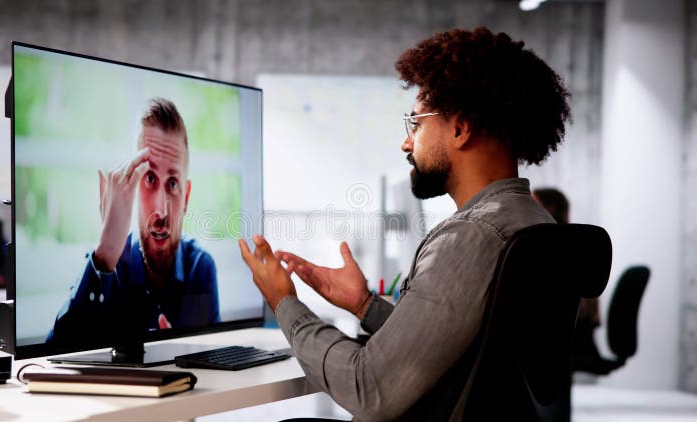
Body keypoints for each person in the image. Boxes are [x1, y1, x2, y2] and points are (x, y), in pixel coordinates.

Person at [238, 27, 571, 420]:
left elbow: (368, 389)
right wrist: (364, 305)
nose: (406, 142)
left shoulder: (470, 237)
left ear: (460, 129)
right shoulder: (534, 222)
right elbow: (466, 347)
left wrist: (284, 303)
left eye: (416, 124)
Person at [47, 98, 219, 347]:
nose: (161, 210)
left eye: (173, 184)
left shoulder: (201, 269)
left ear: (187, 196)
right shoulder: (107, 263)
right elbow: (55, 355)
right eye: (149, 178)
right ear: (133, 185)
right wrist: (105, 252)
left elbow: (214, 364)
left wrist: (180, 357)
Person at [532, 187, 604, 373]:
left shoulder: (551, 245)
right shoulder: (575, 241)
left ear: (550, 208)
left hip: (568, 338)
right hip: (577, 335)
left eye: (533, 202)